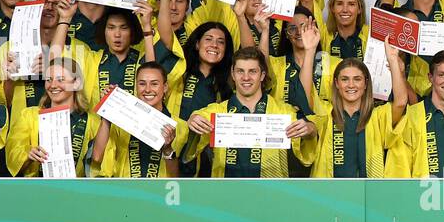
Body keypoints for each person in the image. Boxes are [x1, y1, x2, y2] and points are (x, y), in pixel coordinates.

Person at [183, 47, 319, 177]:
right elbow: (196, 122)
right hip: (225, 194)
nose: (246, 77)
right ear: (233, 74)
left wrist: (310, 130)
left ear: (262, 75)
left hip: (272, 193)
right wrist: (193, 121)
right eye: (240, 71)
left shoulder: (283, 112)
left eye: (252, 71)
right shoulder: (217, 112)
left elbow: (308, 146)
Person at [306, 56, 410, 178]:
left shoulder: (377, 117)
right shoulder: (325, 113)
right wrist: (310, 50)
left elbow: (401, 102)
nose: (351, 85)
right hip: (328, 193)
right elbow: (307, 94)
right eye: (344, 79)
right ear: (336, 83)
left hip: (368, 194)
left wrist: (392, 60)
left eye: (357, 79)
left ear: (366, 84)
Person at [5, 56, 104, 177]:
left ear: (76, 83)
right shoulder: (29, 116)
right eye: (48, 80)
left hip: (76, 192)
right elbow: (12, 156)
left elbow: (98, 165)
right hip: (36, 191)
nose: (53, 85)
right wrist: (28, 154)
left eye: (60, 80)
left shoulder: (92, 122)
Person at [91, 62, 187, 178]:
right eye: (142, 84)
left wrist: (167, 149)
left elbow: (176, 178)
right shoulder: (122, 120)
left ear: (165, 87)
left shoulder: (180, 126)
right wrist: (108, 110)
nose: (147, 89)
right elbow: (97, 157)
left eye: (154, 84)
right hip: (126, 192)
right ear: (136, 86)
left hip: (160, 192)